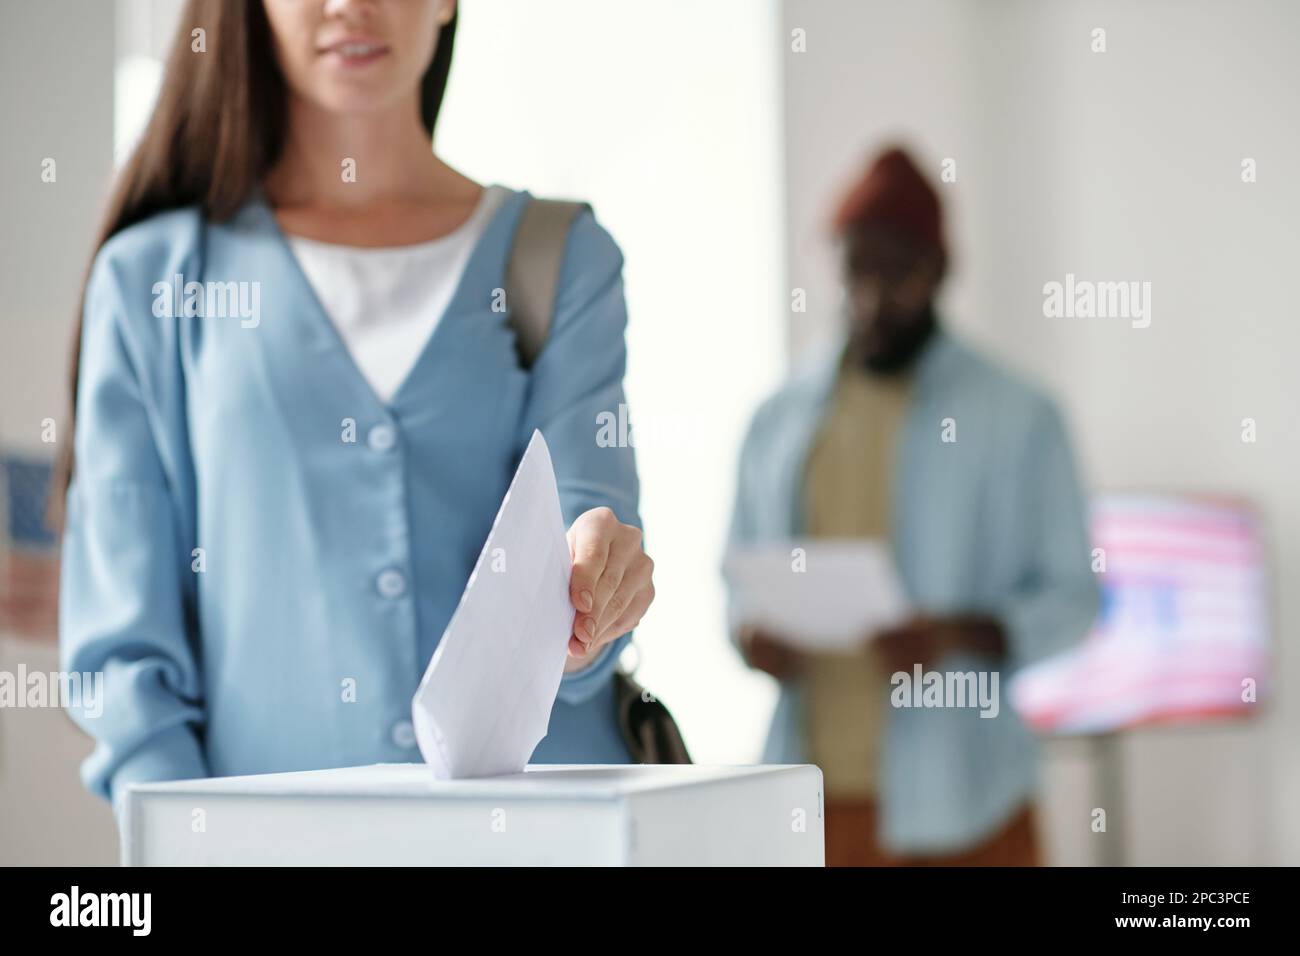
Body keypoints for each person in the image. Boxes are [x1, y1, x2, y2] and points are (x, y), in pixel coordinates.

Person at [56, 0, 654, 819]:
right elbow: (125, 657)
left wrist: (598, 591)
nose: (349, 5)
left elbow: (588, 520)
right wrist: (195, 847)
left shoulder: (561, 257)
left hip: (545, 836)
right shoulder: (152, 281)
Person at [727, 146, 1098, 866]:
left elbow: (1074, 600)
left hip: (972, 806)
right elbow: (737, 580)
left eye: (895, 274)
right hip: (814, 803)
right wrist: (752, 639)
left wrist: (953, 635)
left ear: (938, 273)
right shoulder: (778, 419)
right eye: (856, 271)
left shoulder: (1020, 416)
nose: (871, 298)